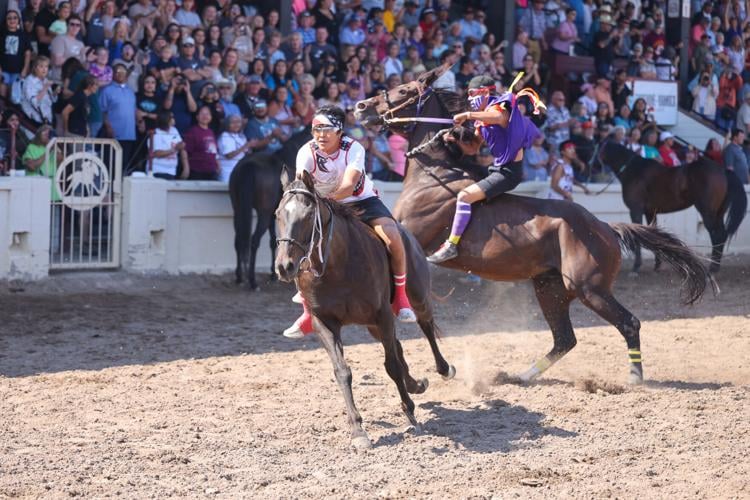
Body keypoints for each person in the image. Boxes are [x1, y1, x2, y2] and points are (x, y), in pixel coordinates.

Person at [282, 105, 416, 339]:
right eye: (316, 129)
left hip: (361, 201)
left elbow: (348, 186)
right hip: (322, 204)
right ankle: (306, 311)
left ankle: (402, 298)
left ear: (340, 131)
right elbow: (301, 186)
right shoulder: (306, 151)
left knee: (392, 236)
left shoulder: (354, 148)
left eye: (326, 129)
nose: (320, 135)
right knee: (300, 239)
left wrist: (324, 199)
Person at [427, 74, 545, 263]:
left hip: (508, 173)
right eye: (469, 95)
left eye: (473, 94)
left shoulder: (501, 108)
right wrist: (456, 139)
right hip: (495, 169)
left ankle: (451, 246)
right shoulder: (481, 121)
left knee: (464, 196)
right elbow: (473, 147)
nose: (470, 99)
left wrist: (467, 115)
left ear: (485, 92)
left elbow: (497, 117)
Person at [149, 110, 189, 180]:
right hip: (158, 171)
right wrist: (175, 149)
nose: (174, 119)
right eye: (172, 117)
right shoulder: (156, 133)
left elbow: (182, 148)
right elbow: (157, 153)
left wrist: (186, 167)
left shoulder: (174, 130)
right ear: (166, 119)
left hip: (172, 171)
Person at [183, 105, 219, 180]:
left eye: (207, 114)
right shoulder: (192, 131)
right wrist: (186, 168)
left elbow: (214, 151)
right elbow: (185, 150)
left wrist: (218, 165)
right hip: (197, 170)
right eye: (202, 113)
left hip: (211, 170)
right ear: (197, 117)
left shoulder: (211, 132)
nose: (205, 116)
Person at [217, 115, 253, 182]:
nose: (236, 124)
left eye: (238, 122)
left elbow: (245, 151)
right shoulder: (224, 136)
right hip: (227, 172)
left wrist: (250, 148)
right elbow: (229, 155)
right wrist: (245, 146)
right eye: (233, 122)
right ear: (227, 124)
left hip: (240, 171)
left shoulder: (241, 136)